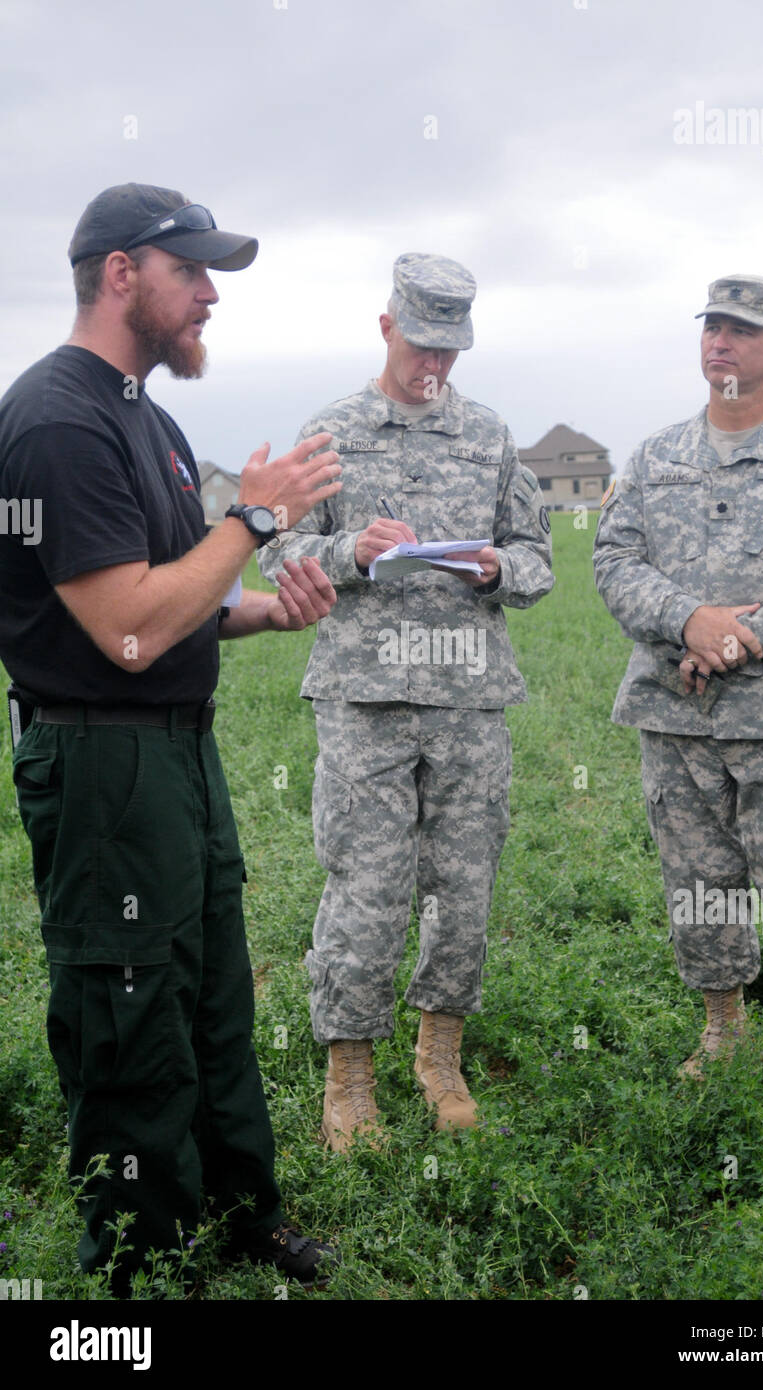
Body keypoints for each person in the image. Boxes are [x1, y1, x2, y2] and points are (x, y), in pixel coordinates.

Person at [0, 183, 344, 1289]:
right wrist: (252, 517)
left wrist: (261, 603)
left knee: (207, 988)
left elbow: (173, 594)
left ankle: (239, 1214)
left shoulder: (149, 418)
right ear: (118, 273)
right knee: (128, 1002)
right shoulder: (59, 418)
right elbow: (130, 628)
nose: (207, 296)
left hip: (176, 753)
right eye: (191, 273)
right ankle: (144, 1270)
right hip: (105, 762)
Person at [258, 253, 553, 1149]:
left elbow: (536, 560)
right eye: (421, 344)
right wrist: (349, 550)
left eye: (450, 352)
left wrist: (501, 566)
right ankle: (348, 1077)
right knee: (367, 886)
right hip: (365, 699)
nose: (434, 366)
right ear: (386, 327)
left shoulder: (492, 436)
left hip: (468, 700)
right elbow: (277, 549)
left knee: (464, 886)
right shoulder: (330, 431)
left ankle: (439, 1053)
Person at [594, 273, 763, 1087]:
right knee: (698, 879)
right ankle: (722, 1026)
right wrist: (686, 621)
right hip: (679, 711)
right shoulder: (654, 455)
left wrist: (743, 636)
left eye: (742, 330)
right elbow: (611, 558)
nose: (721, 341)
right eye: (712, 325)